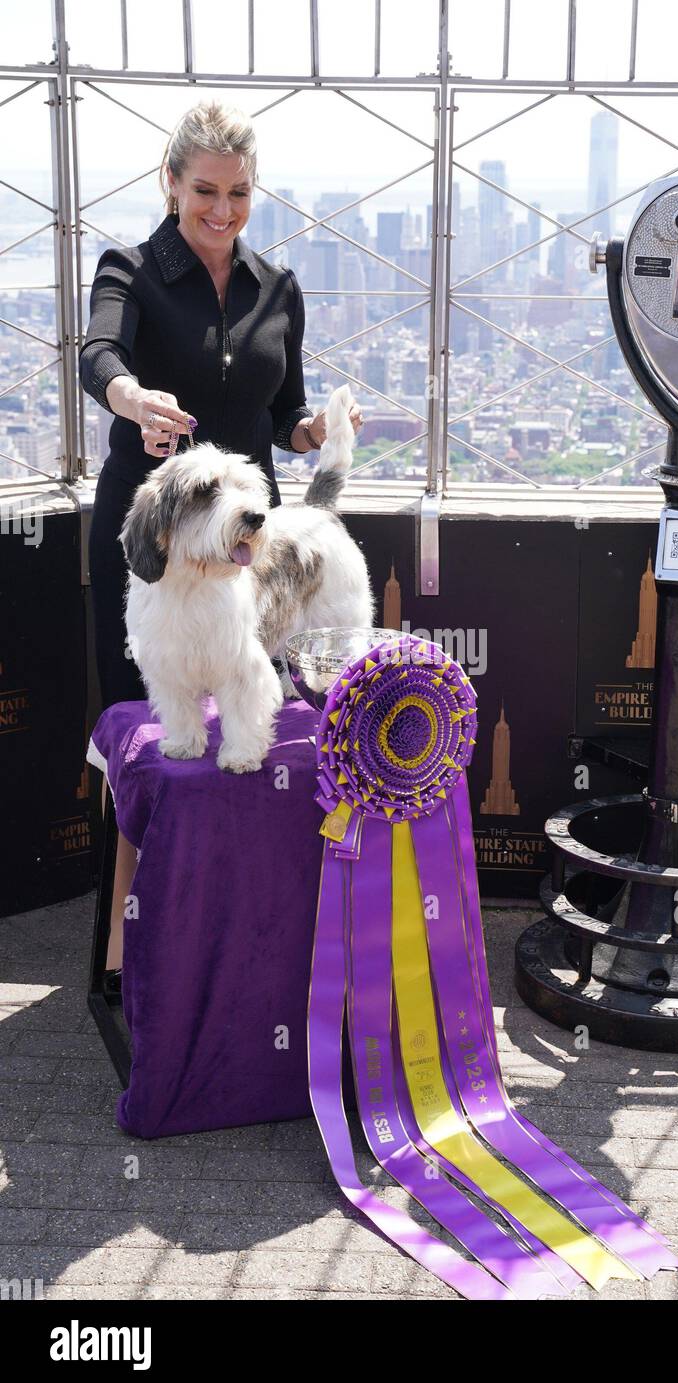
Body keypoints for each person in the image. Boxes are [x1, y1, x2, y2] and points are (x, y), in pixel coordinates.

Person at [79, 98, 363, 974]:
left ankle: (254, 938)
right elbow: (100, 355)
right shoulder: (128, 266)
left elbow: (282, 414)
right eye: (205, 189)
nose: (222, 209)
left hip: (252, 546)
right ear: (172, 185)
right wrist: (133, 400)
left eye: (239, 192)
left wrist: (313, 433)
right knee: (159, 742)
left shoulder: (278, 288)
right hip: (154, 541)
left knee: (254, 726)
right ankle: (133, 950)